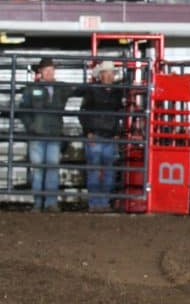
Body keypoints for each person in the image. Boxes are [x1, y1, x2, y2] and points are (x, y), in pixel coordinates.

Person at [19, 58, 73, 212]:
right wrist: (31, 126)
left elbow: (78, 90)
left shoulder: (61, 88)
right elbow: (23, 111)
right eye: (46, 70)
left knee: (51, 169)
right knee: (40, 170)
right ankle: (39, 202)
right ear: (40, 72)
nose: (49, 72)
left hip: (54, 134)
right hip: (38, 134)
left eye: (51, 69)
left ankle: (49, 202)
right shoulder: (32, 89)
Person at [80, 61, 124, 212]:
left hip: (108, 135)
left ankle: (102, 202)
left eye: (111, 73)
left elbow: (120, 115)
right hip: (97, 134)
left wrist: (117, 133)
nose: (109, 76)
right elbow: (83, 112)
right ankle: (96, 203)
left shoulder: (116, 93)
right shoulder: (94, 91)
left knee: (106, 171)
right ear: (100, 75)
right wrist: (89, 132)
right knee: (97, 170)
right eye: (106, 73)